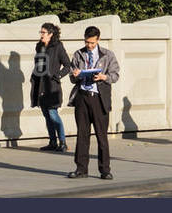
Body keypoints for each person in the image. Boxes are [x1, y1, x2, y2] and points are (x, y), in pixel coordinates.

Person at [67, 25, 120, 180]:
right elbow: (71, 76)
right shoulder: (78, 54)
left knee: (101, 135)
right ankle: (81, 169)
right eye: (87, 42)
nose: (89, 46)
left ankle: (105, 170)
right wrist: (76, 74)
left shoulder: (107, 55)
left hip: (99, 98)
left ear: (98, 40)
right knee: (82, 135)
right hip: (82, 97)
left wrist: (104, 77)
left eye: (92, 43)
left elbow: (115, 75)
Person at [30, 22, 71, 153]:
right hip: (40, 85)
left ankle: (63, 142)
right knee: (46, 115)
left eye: (43, 33)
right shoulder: (39, 46)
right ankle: (52, 142)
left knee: (53, 114)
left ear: (51, 34)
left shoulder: (58, 46)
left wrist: (58, 75)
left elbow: (67, 65)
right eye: (40, 32)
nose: (41, 35)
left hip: (52, 86)